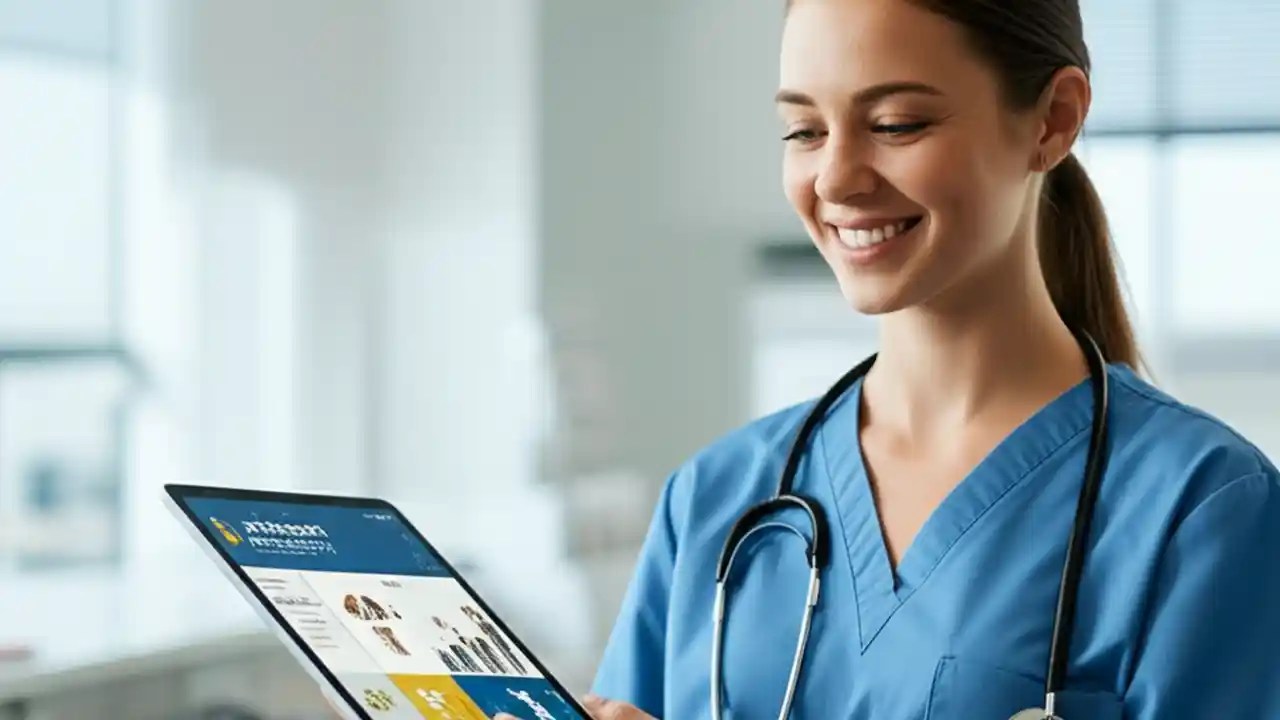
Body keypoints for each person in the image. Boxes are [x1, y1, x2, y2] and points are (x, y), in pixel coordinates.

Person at [567, 1, 1280, 719]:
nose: (836, 179)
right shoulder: (714, 501)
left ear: (1053, 119)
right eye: (804, 130)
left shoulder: (1202, 511)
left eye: (895, 125)